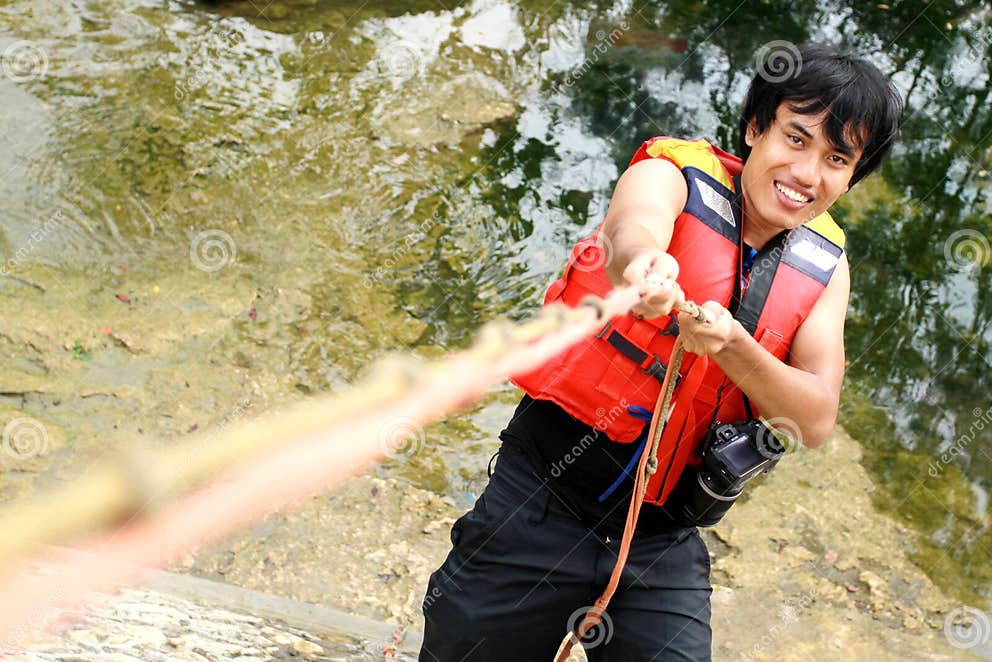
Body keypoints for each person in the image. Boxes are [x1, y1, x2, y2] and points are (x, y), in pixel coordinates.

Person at [419, 43, 902, 661]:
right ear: (756, 127)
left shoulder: (826, 270)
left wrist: (734, 348)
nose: (808, 174)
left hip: (661, 540)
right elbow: (634, 227)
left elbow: (813, 418)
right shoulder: (671, 175)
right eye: (796, 139)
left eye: (837, 159)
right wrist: (642, 263)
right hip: (539, 500)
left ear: (853, 175)